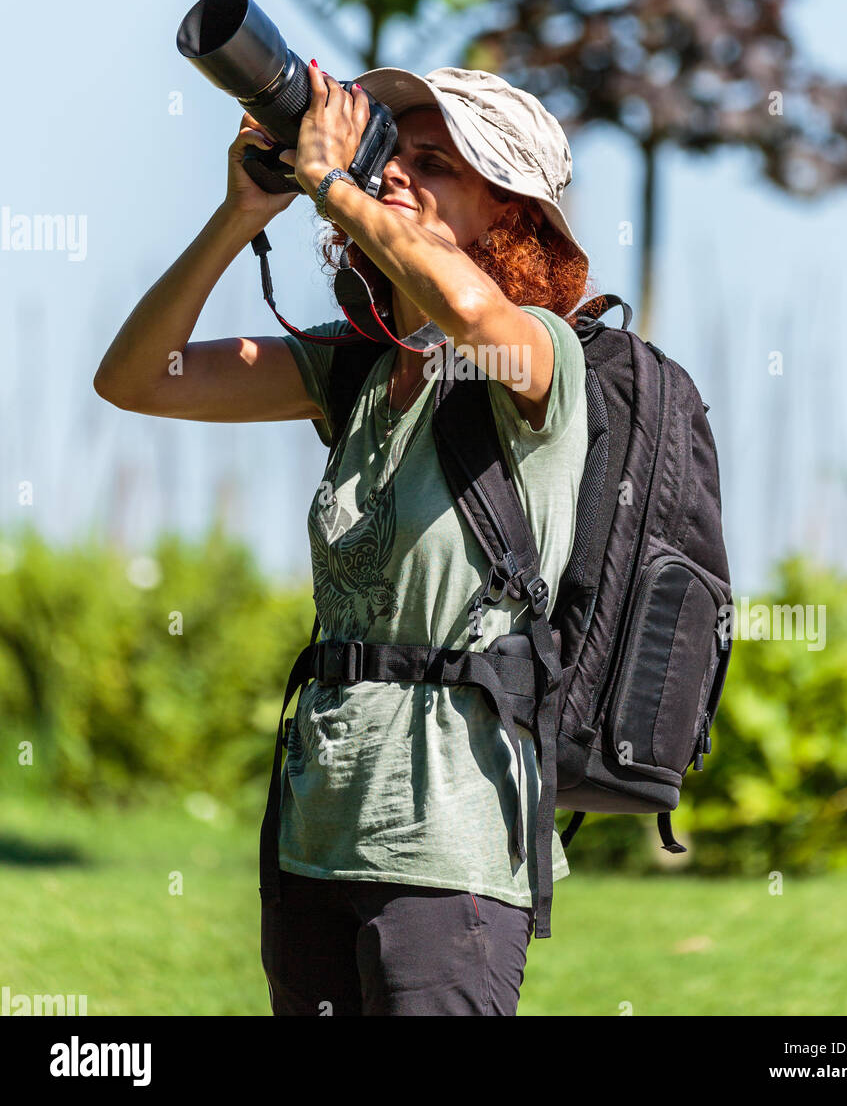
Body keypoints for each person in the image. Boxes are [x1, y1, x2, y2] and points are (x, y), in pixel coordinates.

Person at [94, 61, 600, 1016]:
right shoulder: (354, 366)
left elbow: (477, 314)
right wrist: (245, 212)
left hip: (451, 846)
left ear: (511, 214)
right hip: (314, 832)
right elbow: (137, 379)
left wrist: (332, 185)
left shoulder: (536, 353)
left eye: (436, 164)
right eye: (389, 155)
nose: (395, 174)